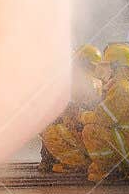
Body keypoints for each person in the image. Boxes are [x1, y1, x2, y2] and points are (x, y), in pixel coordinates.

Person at [80, 42, 129, 181]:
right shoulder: (123, 84)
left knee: (92, 130)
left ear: (115, 67)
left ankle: (110, 170)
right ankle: (114, 168)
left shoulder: (121, 88)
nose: (103, 70)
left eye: (106, 66)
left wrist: (82, 116)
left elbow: (103, 118)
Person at [40, 44, 102, 175]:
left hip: (84, 130)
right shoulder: (96, 81)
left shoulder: (83, 81)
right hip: (91, 132)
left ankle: (78, 163)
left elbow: (73, 109)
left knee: (50, 132)